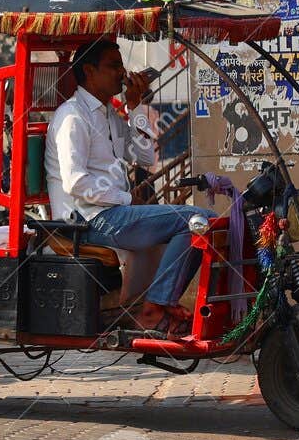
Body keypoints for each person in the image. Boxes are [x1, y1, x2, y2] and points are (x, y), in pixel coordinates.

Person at [43, 39, 214, 335]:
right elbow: (75, 182)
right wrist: (125, 197)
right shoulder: (73, 117)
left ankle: (156, 303)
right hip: (88, 220)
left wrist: (136, 106)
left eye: (121, 66)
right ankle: (155, 307)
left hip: (110, 214)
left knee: (200, 222)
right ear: (89, 71)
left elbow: (144, 156)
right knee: (199, 220)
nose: (121, 73)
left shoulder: (107, 114)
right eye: (113, 66)